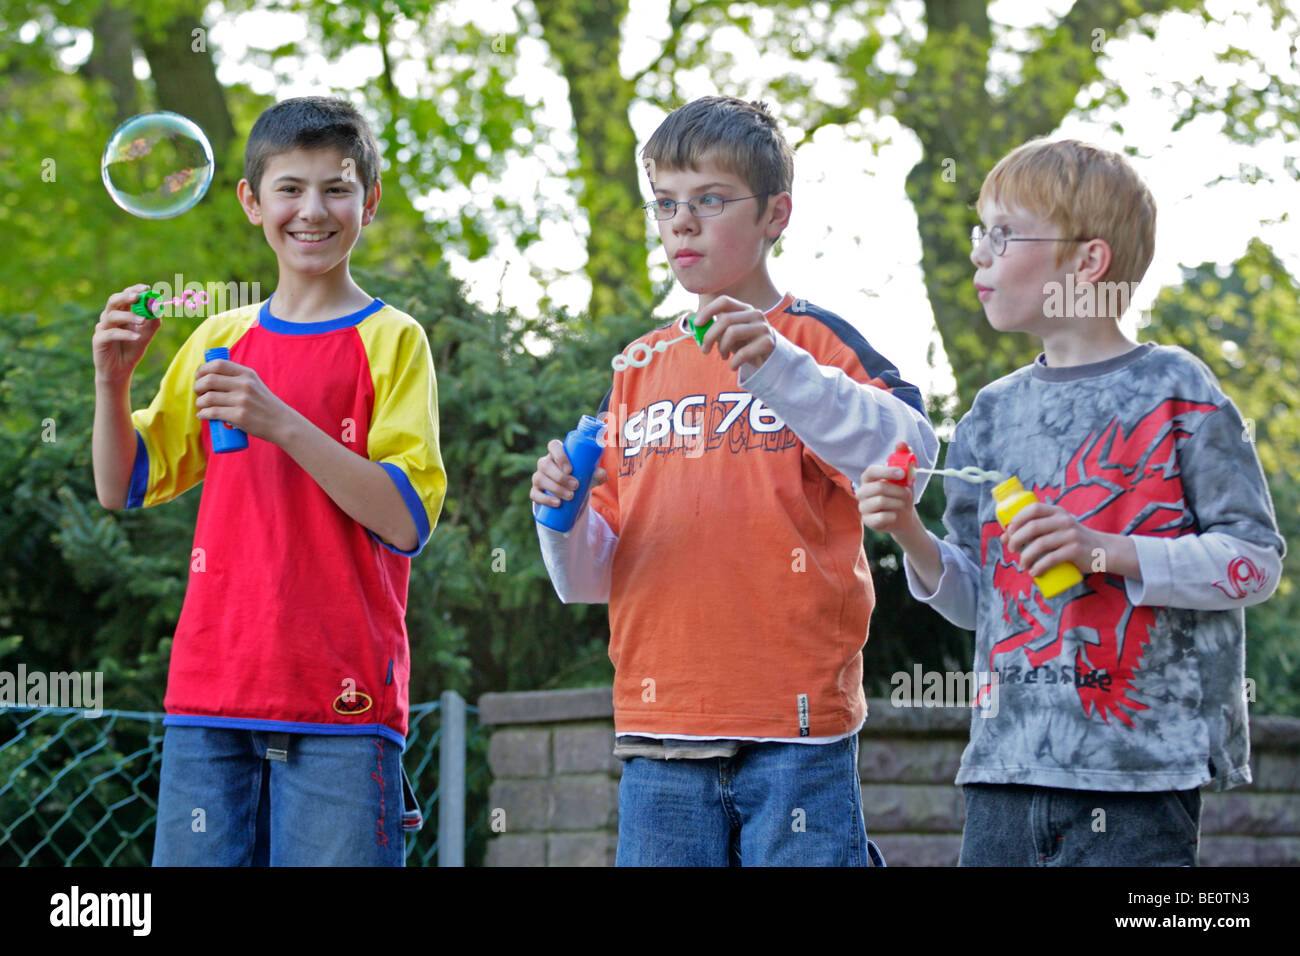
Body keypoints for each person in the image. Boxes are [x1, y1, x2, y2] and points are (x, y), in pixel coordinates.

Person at [530, 95, 938, 866]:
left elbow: (907, 451)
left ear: (775, 213)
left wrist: (782, 368)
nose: (681, 223)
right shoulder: (637, 366)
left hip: (796, 725)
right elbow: (590, 578)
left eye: (710, 200)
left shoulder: (815, 339)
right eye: (666, 204)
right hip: (659, 725)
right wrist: (562, 515)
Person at [857, 137, 1285, 866]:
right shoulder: (989, 414)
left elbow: (1255, 562)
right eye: (977, 234)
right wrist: (910, 533)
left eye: (1003, 234)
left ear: (1087, 263)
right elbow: (982, 602)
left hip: (1142, 778)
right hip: (1003, 770)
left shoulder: (1176, 388)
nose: (979, 256)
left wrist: (1105, 550)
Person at [91, 96, 446, 866]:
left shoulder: (392, 339)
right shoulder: (222, 339)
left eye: (337, 188)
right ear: (253, 202)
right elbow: (120, 485)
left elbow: (406, 518)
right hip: (210, 696)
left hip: (341, 699)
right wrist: (112, 387)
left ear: (369, 201)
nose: (312, 210)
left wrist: (282, 422)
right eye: (289, 188)